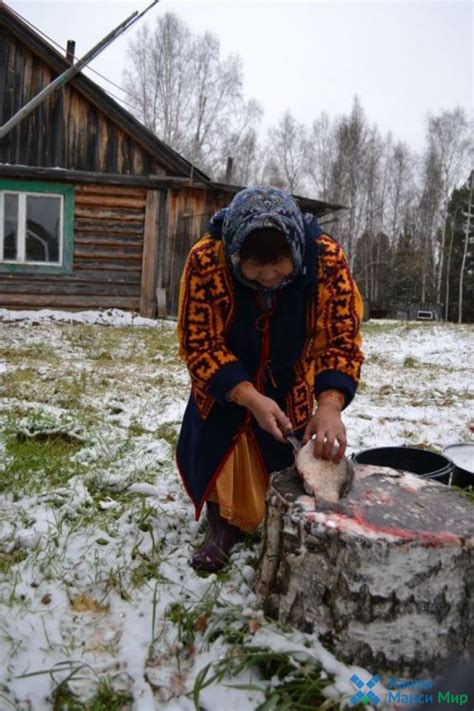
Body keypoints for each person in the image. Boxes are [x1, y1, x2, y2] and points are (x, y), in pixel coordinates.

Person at [176, 186, 364, 572]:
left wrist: (329, 406)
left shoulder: (326, 260)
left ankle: (288, 518)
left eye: (278, 265)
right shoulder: (207, 260)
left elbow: (340, 337)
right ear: (234, 254)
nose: (267, 277)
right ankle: (222, 524)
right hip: (225, 384)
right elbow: (200, 342)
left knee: (284, 465)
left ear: (295, 250)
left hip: (289, 376)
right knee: (221, 444)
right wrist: (248, 395)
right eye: (253, 267)